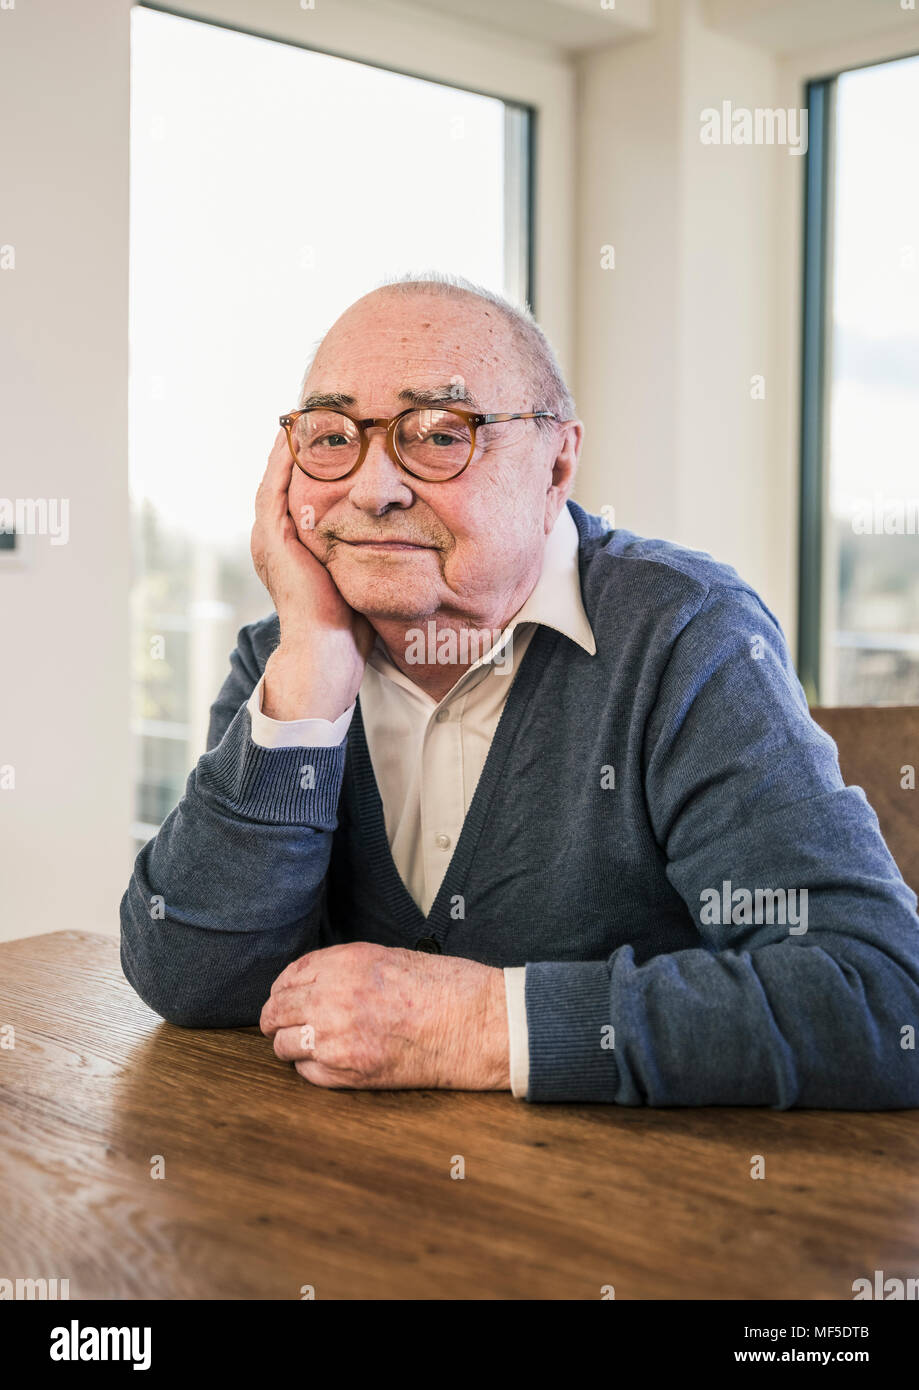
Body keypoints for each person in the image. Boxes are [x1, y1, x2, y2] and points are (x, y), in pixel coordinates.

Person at [120, 273, 919, 1107]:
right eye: (330, 437)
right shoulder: (286, 650)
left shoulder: (686, 634)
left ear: (556, 465)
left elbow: (874, 997)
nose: (372, 487)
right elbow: (192, 978)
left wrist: (472, 1025)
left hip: (634, 1210)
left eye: (438, 433)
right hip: (342, 1206)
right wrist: (310, 678)